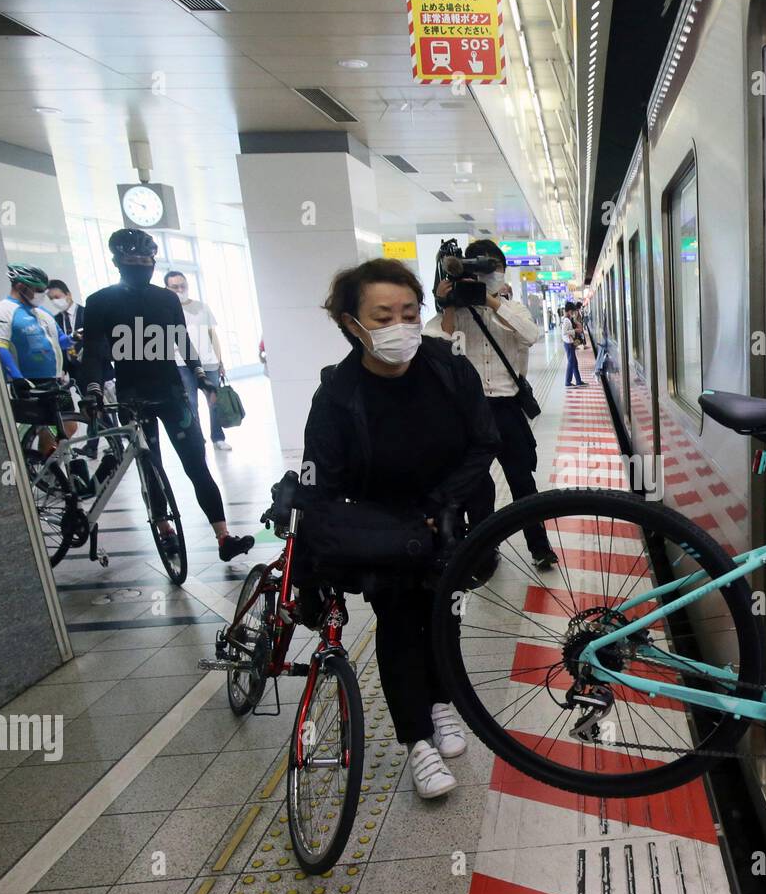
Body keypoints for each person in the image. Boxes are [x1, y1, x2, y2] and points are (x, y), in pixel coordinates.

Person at [301, 258, 499, 799]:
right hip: (383, 530)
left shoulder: (447, 367)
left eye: (409, 312)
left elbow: (484, 441)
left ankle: (442, 703)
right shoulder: (339, 395)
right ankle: (417, 742)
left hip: (448, 519)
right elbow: (319, 483)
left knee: (445, 616)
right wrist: (313, 567)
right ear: (351, 324)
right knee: (397, 626)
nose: (400, 326)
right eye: (382, 316)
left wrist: (447, 501)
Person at [78, 229, 254, 562]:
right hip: (132, 397)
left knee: (197, 466)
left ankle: (223, 536)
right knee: (151, 467)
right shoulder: (100, 302)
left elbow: (182, 340)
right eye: (134, 261)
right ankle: (164, 528)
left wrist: (201, 375)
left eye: (147, 261)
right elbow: (93, 354)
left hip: (171, 392)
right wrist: (92, 389)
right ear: (118, 263)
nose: (141, 266)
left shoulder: (165, 299)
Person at [425, 239, 559, 571]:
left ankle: (539, 547)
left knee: (522, 481)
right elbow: (436, 349)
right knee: (476, 487)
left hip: (506, 410)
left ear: (501, 272)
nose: (486, 277)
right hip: (468, 414)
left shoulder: (512, 310)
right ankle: (484, 550)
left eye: (492, 270)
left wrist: (488, 300)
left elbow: (530, 335)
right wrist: (449, 306)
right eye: (478, 271)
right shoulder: (455, 314)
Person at [0, 264, 78, 458]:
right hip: (31, 381)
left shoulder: (42, 312)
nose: (41, 294)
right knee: (44, 428)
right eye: (38, 290)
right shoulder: (2, 310)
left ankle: (48, 468)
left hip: (55, 380)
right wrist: (16, 377)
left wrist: (76, 337)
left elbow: (61, 341)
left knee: (69, 426)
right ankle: (46, 472)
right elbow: (0, 346)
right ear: (21, 286)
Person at [164, 270, 230, 451]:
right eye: (175, 287)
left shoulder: (202, 307)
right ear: (167, 288)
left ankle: (218, 437)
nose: (180, 289)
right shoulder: (167, 311)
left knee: (214, 401)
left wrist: (220, 361)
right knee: (191, 404)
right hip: (183, 364)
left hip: (209, 362)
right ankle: (198, 440)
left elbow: (212, 335)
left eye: (182, 285)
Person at [560, 303, 586, 388]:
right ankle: (568, 382)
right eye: (572, 311)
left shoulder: (567, 319)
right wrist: (574, 331)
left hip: (569, 343)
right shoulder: (566, 320)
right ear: (569, 311)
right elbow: (564, 332)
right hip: (568, 343)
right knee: (571, 362)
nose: (573, 313)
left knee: (574, 362)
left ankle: (578, 381)